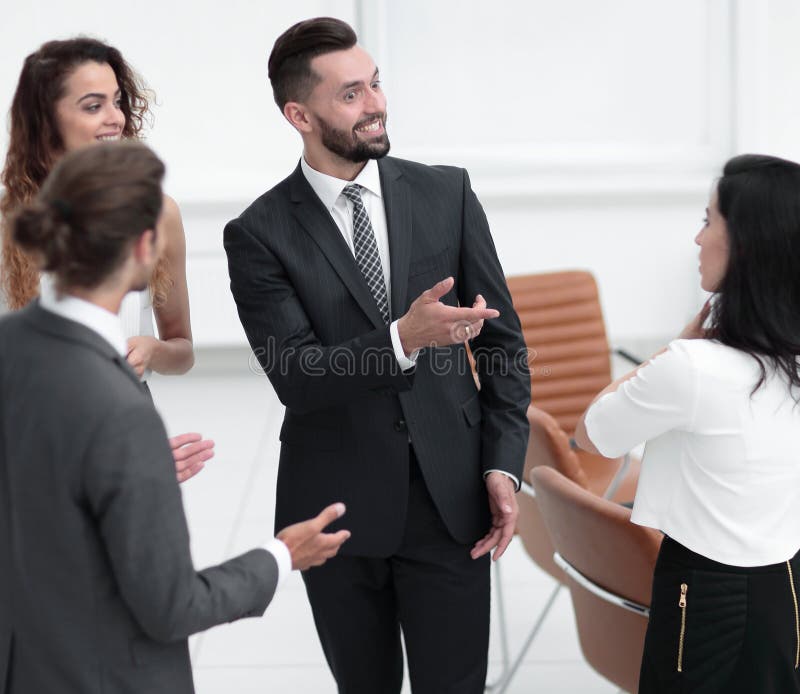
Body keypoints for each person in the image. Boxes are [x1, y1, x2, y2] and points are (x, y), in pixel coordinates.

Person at [224, 17, 531, 694]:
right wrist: (403, 338)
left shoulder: (445, 194)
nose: (377, 104)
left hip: (451, 501)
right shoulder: (258, 234)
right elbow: (296, 377)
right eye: (352, 94)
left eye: (377, 85)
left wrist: (504, 465)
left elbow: (504, 347)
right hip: (334, 512)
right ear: (299, 114)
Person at [0, 141, 351, 694]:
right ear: (144, 247)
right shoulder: (122, 412)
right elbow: (171, 607)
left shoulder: (12, 343)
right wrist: (283, 554)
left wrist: (114, 470)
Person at [575, 154, 800, 693]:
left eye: (707, 221)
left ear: (743, 244)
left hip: (705, 591)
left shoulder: (693, 367)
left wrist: (679, 343)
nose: (697, 240)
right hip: (787, 583)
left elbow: (592, 434)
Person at [0, 37, 210, 482]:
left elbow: (182, 350)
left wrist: (153, 351)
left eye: (117, 102)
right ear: (45, 121)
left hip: (125, 421)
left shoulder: (157, 213)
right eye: (93, 106)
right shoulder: (7, 225)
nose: (115, 117)